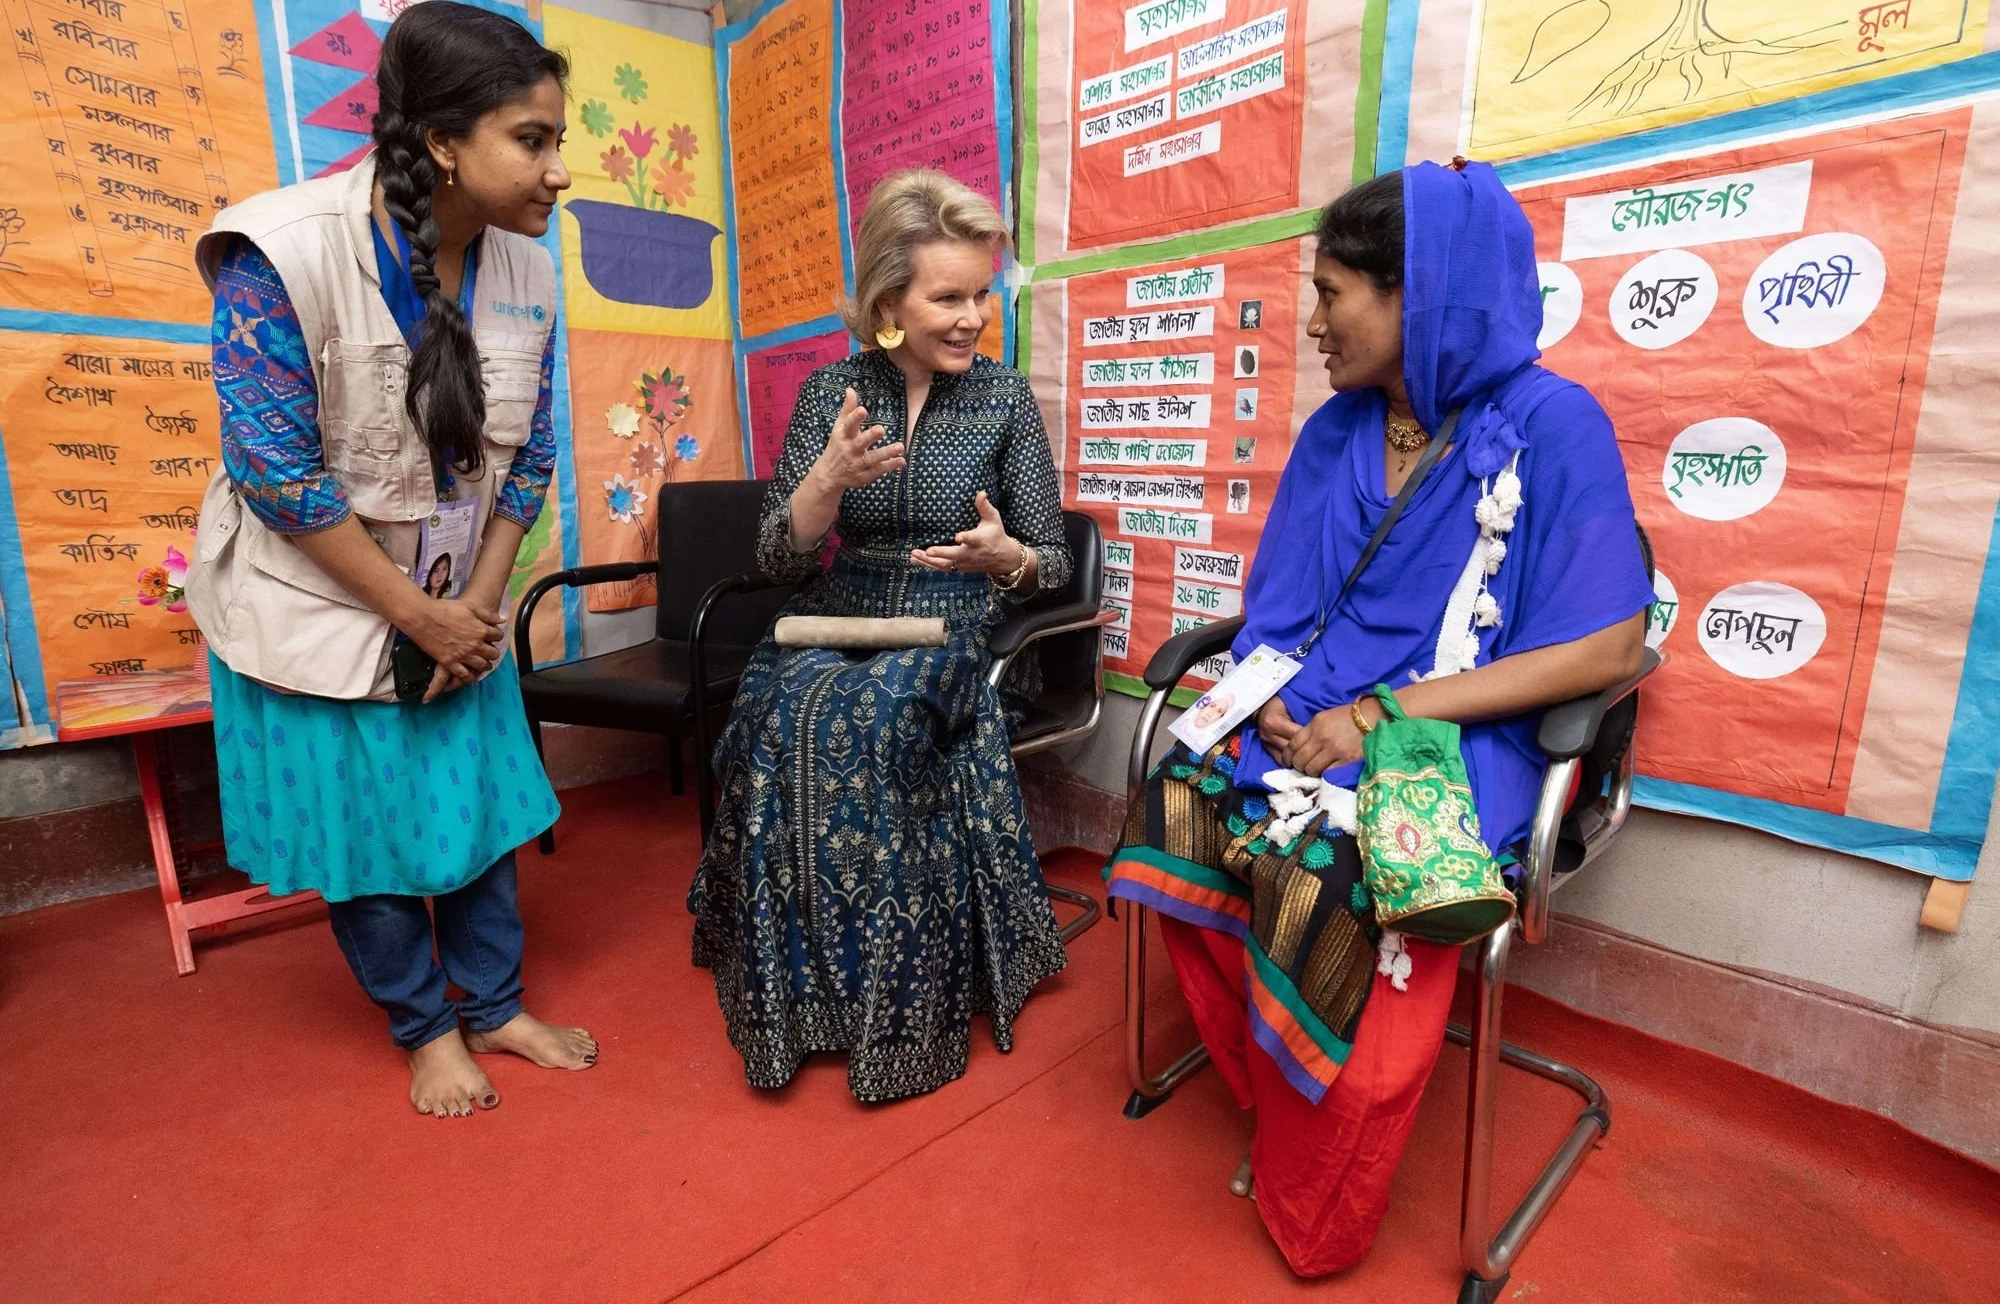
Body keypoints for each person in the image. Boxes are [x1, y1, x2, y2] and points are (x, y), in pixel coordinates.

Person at [1107, 161, 1653, 1274]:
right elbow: (1282, 616)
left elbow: (1603, 647)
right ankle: (1274, 1094)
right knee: (1177, 792)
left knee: (1333, 868)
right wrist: (1267, 709)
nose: (1312, 323)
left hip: (1466, 739)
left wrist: (1378, 715)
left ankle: (1319, 1206)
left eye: (1331, 293)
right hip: (1319, 715)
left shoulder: (1553, 425)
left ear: (1424, 297)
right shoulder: (1338, 429)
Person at [186, 1, 597, 1119]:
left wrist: (473, 603)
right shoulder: (278, 252)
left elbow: (533, 452)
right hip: (318, 595)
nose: (557, 171)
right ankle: (423, 1027)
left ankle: (494, 1003)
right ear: (441, 144)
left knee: (477, 807)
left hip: (453, 592)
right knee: (367, 829)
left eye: (558, 139)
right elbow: (276, 473)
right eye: (532, 139)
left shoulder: (523, 269)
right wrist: (411, 617)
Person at [689, 168, 1072, 1103]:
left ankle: (896, 999)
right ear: (888, 303)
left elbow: (1055, 559)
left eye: (981, 293)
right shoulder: (832, 395)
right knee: (771, 714)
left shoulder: (1005, 400)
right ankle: (799, 983)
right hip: (837, 602)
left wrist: (1005, 556)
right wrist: (823, 485)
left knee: (880, 719)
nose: (974, 316)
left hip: (952, 614)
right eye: (949, 297)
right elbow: (780, 555)